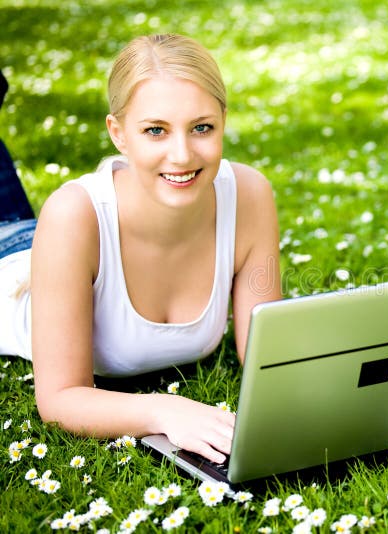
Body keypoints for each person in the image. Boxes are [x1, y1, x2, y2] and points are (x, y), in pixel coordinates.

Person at [0, 34, 282, 464]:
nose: (182, 154)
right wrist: (164, 409)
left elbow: (266, 357)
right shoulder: (73, 214)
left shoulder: (249, 194)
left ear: (223, 120)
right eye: (155, 130)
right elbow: (58, 398)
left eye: (202, 127)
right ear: (119, 134)